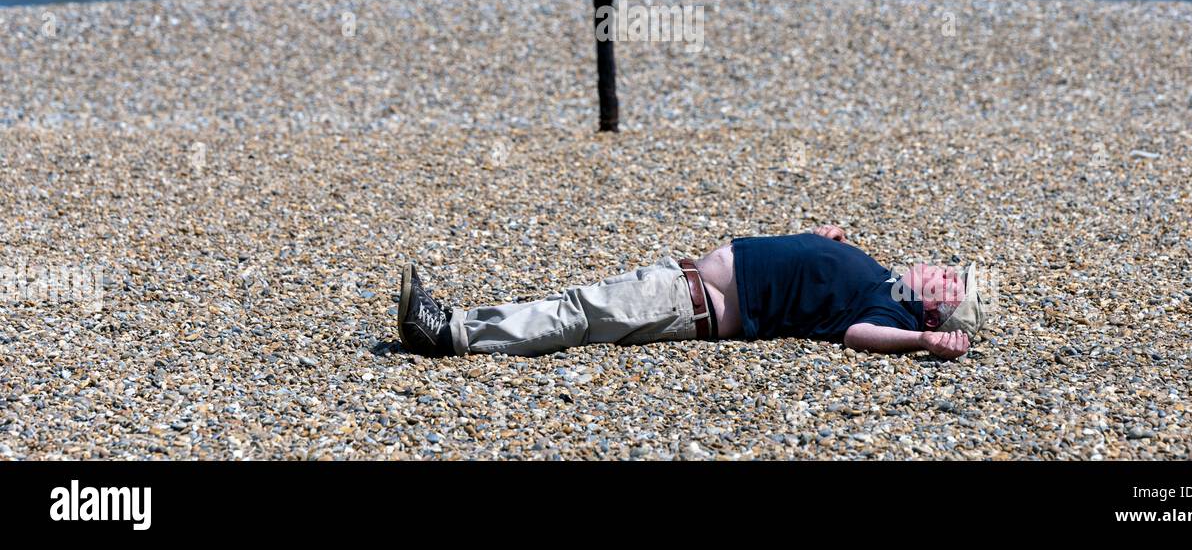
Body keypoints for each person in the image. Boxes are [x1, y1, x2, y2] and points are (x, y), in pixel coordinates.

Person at [397, 225, 986, 360]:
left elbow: (858, 335)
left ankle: (447, 332)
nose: (938, 268)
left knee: (579, 314)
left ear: (934, 306)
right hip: (686, 283)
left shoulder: (886, 309)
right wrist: (820, 238)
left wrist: (920, 342)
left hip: (694, 301)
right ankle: (458, 323)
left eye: (945, 281)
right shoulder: (876, 274)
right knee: (579, 307)